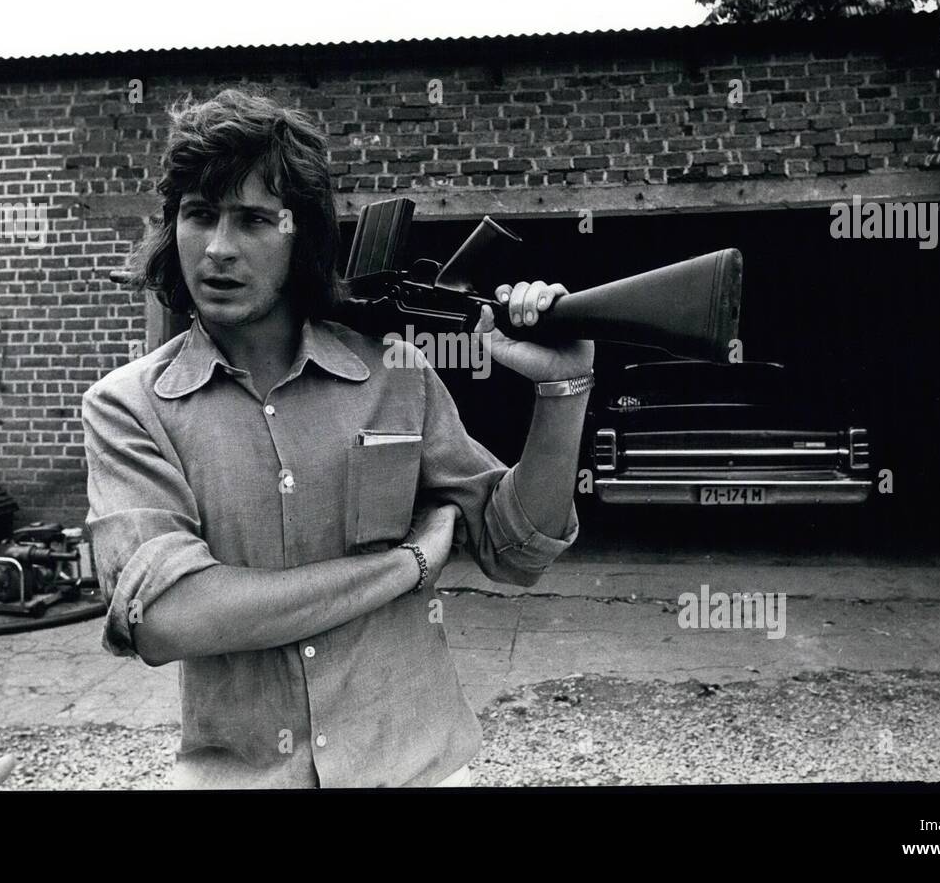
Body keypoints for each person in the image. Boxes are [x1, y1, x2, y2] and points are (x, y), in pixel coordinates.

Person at [82, 87, 594, 788]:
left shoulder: (395, 374)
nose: (220, 248)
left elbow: (516, 550)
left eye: (255, 220)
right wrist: (404, 566)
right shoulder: (129, 406)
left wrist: (563, 393)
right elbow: (169, 618)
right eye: (200, 216)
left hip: (421, 769)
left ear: (303, 237)